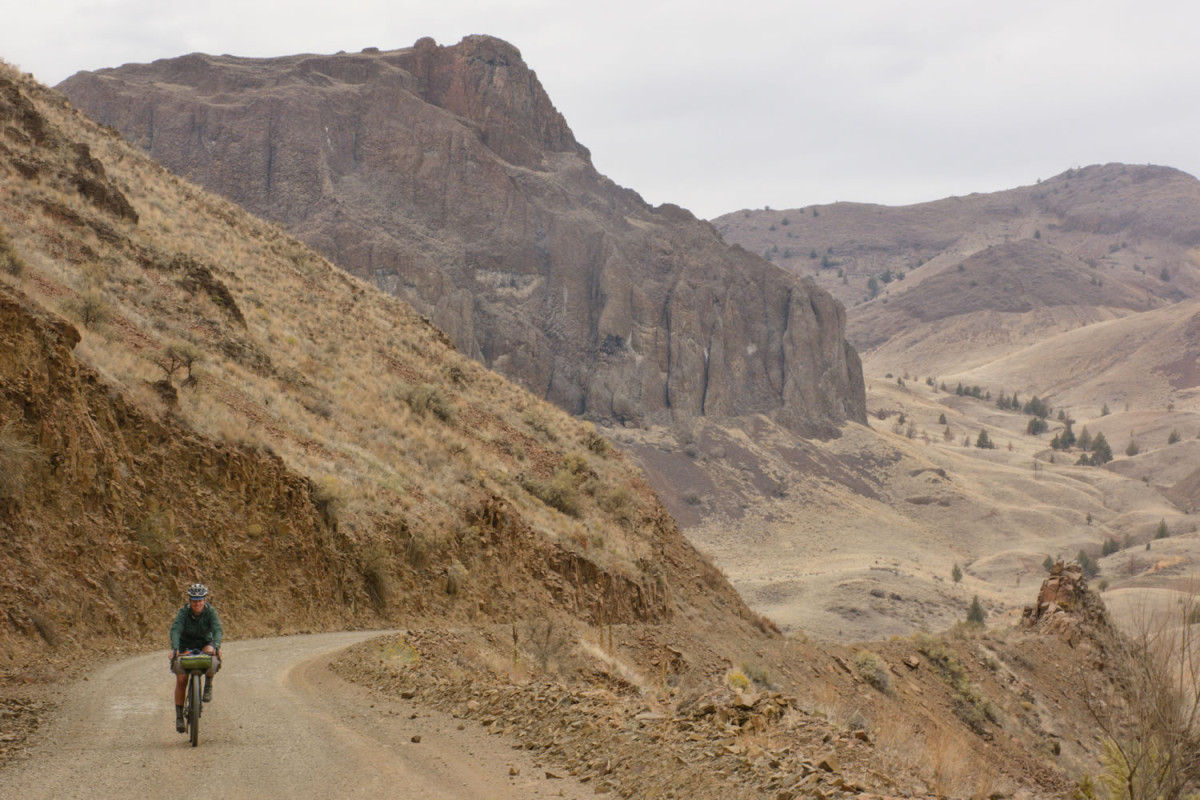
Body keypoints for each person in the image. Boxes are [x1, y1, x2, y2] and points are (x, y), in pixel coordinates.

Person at [169, 583, 223, 733]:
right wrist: (174, 648)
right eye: (194, 600)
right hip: (185, 644)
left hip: (205, 642)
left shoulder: (211, 612)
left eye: (200, 600)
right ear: (189, 601)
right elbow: (176, 629)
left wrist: (217, 647)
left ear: (205, 600)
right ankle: (179, 716)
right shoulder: (183, 613)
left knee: (212, 655)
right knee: (181, 679)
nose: (197, 603)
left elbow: (217, 629)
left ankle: (208, 685)